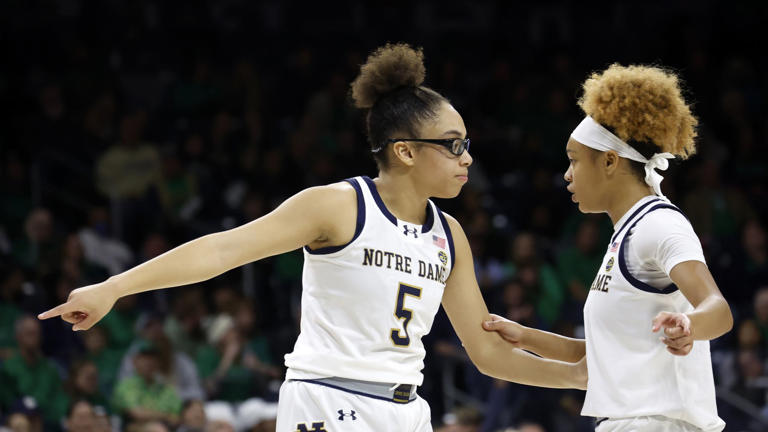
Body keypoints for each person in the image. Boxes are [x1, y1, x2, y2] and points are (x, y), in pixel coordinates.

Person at [38, 43, 586, 431]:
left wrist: (583, 377)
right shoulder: (337, 205)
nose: (467, 158)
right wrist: (113, 287)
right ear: (405, 150)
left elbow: (488, 353)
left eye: (467, 144)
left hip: (408, 411)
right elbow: (220, 250)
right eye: (454, 144)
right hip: (329, 402)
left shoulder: (451, 235)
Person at [483, 64, 733, 431]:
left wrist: (688, 324)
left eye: (574, 159)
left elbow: (719, 310)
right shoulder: (626, 234)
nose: (567, 174)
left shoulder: (659, 224)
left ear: (610, 160)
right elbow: (607, 356)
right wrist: (525, 336)